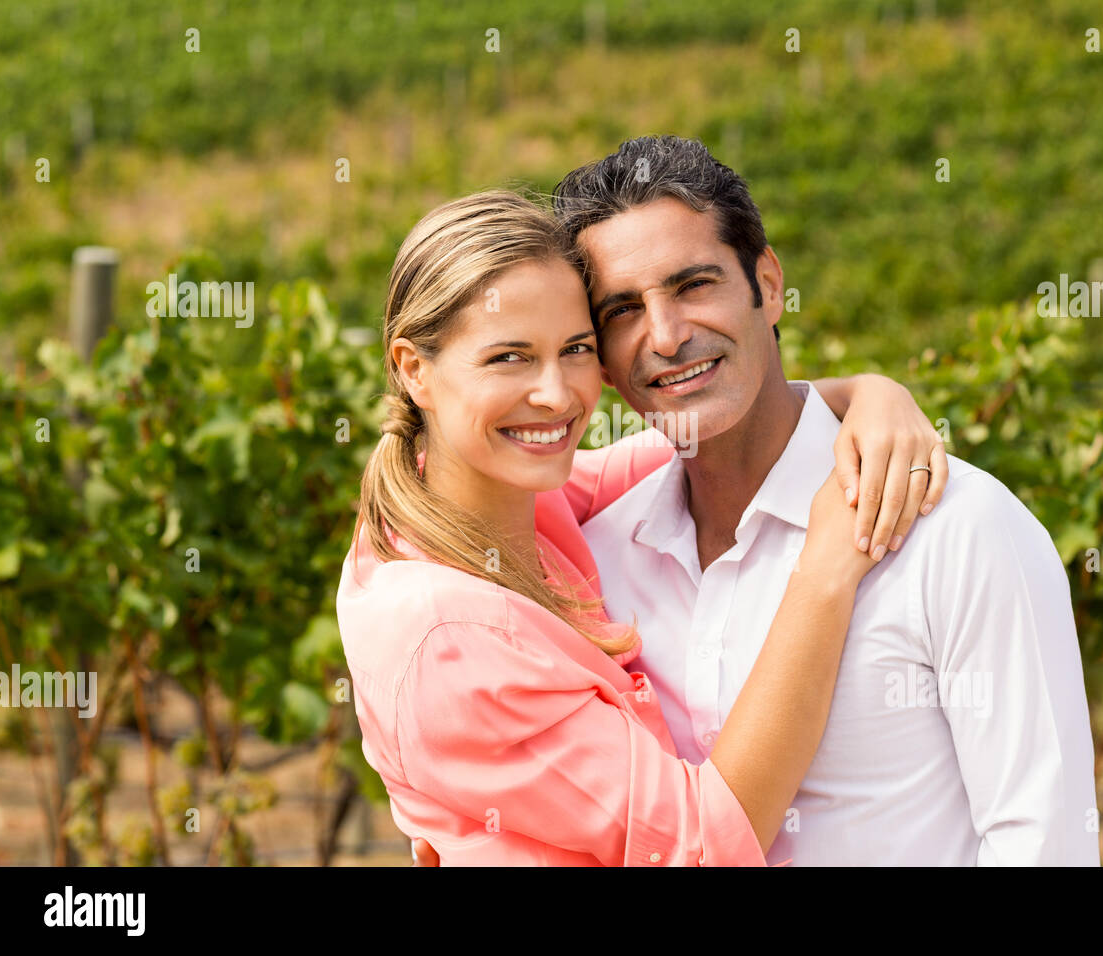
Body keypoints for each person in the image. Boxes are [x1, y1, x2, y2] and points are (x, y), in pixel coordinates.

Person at [337, 189, 948, 865]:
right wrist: (825, 572)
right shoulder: (445, 630)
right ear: (413, 368)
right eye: (508, 358)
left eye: (574, 349)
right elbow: (704, 845)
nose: (557, 394)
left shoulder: (510, 496)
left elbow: (701, 432)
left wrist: (864, 394)